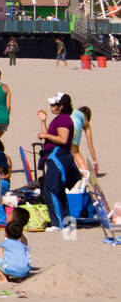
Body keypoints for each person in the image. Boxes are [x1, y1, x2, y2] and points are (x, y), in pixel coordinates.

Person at [37, 93, 80, 229]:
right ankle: (67, 223)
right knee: (59, 190)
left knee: (51, 189)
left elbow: (63, 139)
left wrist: (46, 134)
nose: (51, 107)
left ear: (61, 106)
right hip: (55, 156)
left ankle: (58, 223)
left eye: (54, 105)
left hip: (58, 156)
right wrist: (43, 122)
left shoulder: (63, 120)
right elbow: (47, 139)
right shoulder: (60, 119)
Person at [70, 106, 98, 177]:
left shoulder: (72, 111)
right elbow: (90, 144)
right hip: (75, 129)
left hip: (64, 125)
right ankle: (85, 175)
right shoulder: (85, 121)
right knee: (76, 153)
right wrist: (95, 161)